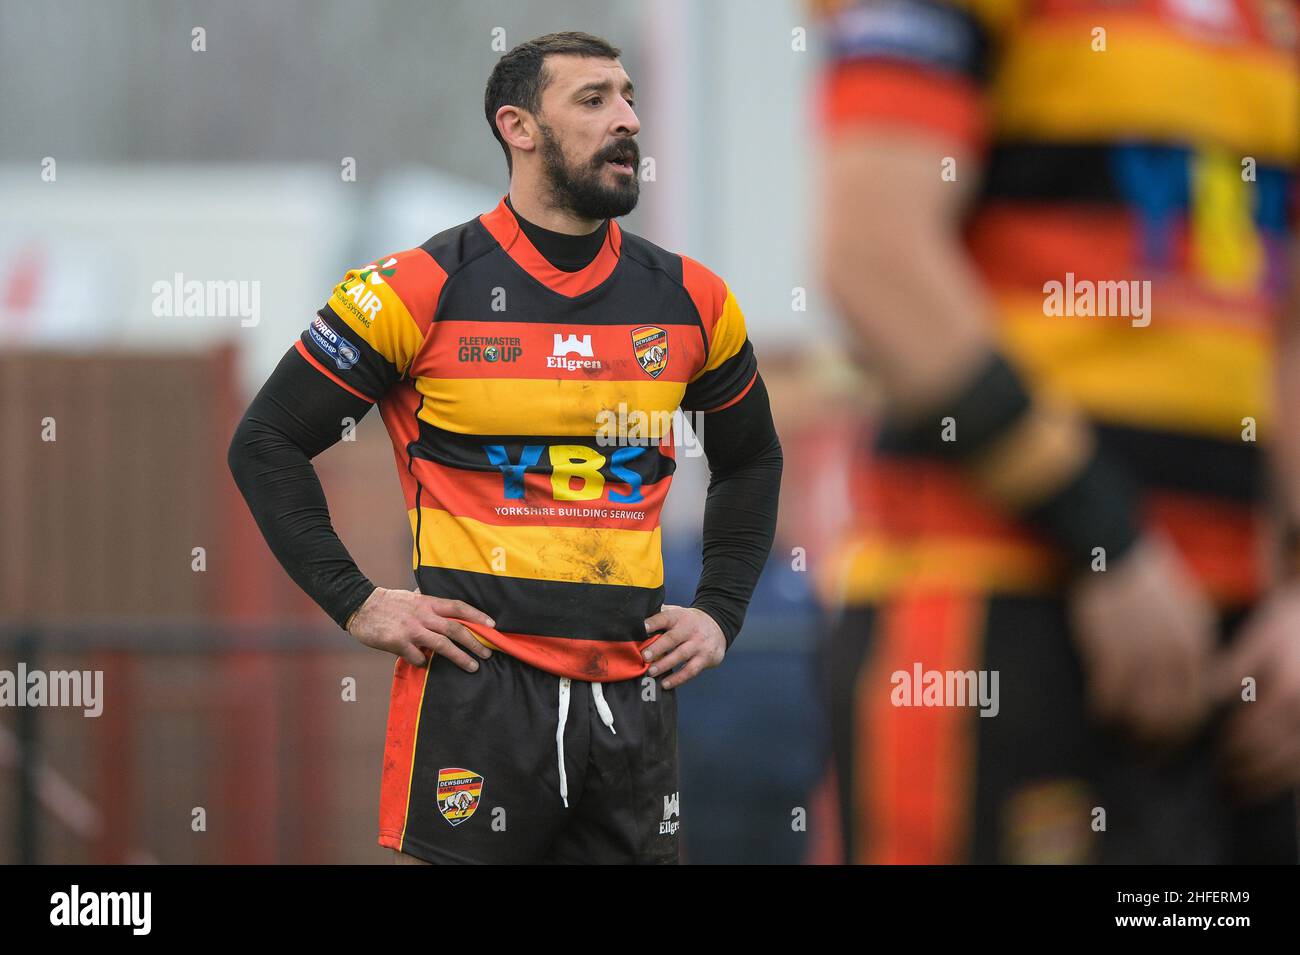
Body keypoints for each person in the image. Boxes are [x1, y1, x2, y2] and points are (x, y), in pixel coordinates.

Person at [227, 31, 782, 864]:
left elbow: (751, 458)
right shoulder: (415, 286)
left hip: (634, 697)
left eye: (629, 97)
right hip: (479, 693)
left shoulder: (693, 298)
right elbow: (266, 440)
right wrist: (359, 601)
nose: (627, 119)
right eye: (594, 100)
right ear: (518, 127)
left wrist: (721, 611)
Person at [814, 0, 1300, 863]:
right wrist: (1109, 541)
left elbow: (1281, 317)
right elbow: (874, 256)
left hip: (1247, 654)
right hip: (991, 601)